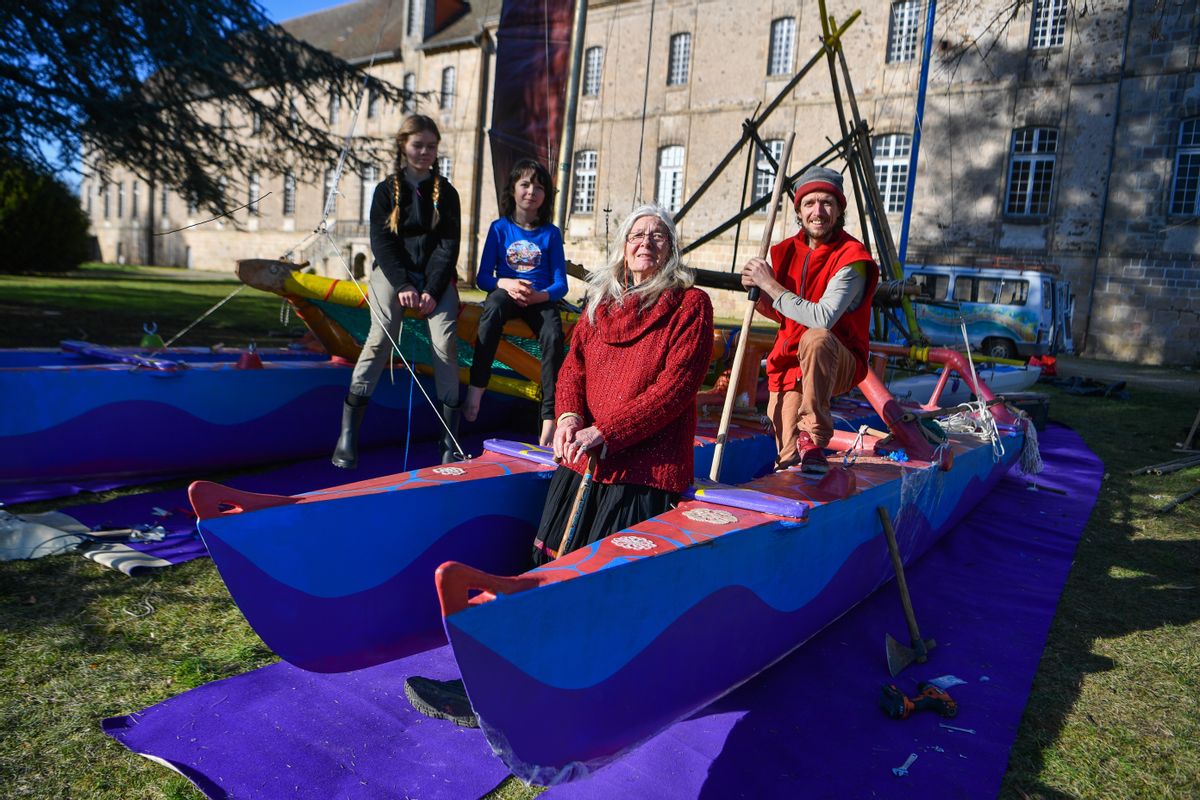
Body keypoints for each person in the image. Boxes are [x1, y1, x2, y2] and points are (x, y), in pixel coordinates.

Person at [404, 203, 714, 726]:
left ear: (672, 249)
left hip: (640, 475)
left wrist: (607, 432)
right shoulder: (601, 306)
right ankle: (500, 683)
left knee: (603, 592)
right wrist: (569, 416)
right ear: (622, 248)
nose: (646, 242)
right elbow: (572, 367)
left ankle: (578, 693)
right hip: (582, 465)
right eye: (637, 233)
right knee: (547, 576)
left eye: (658, 235)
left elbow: (676, 388)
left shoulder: (690, 305)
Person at [331, 114, 463, 468]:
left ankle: (449, 436)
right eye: (418, 145)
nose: (424, 152)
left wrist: (433, 290)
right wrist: (404, 284)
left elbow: (448, 246)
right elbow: (383, 243)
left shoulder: (447, 193)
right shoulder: (385, 190)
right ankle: (348, 432)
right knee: (382, 333)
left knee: (445, 342)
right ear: (403, 146)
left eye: (431, 147)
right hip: (393, 273)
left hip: (434, 277)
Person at [740, 165, 879, 474]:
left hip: (837, 360)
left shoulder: (852, 258)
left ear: (840, 208)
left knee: (816, 338)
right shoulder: (785, 251)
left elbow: (822, 317)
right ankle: (796, 484)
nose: (818, 211)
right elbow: (783, 312)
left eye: (827, 203)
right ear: (799, 212)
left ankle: (814, 437)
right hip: (789, 364)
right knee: (788, 458)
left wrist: (770, 285)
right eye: (810, 203)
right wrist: (756, 287)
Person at [464, 159, 567, 447]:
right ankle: (477, 387)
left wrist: (539, 296)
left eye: (538, 186)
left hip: (539, 296)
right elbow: (483, 277)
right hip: (506, 291)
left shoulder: (551, 233)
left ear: (545, 195)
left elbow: (561, 285)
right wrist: (505, 283)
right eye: (525, 184)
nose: (531, 191)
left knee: (553, 334)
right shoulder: (499, 229)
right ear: (513, 190)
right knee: (492, 310)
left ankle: (549, 416)